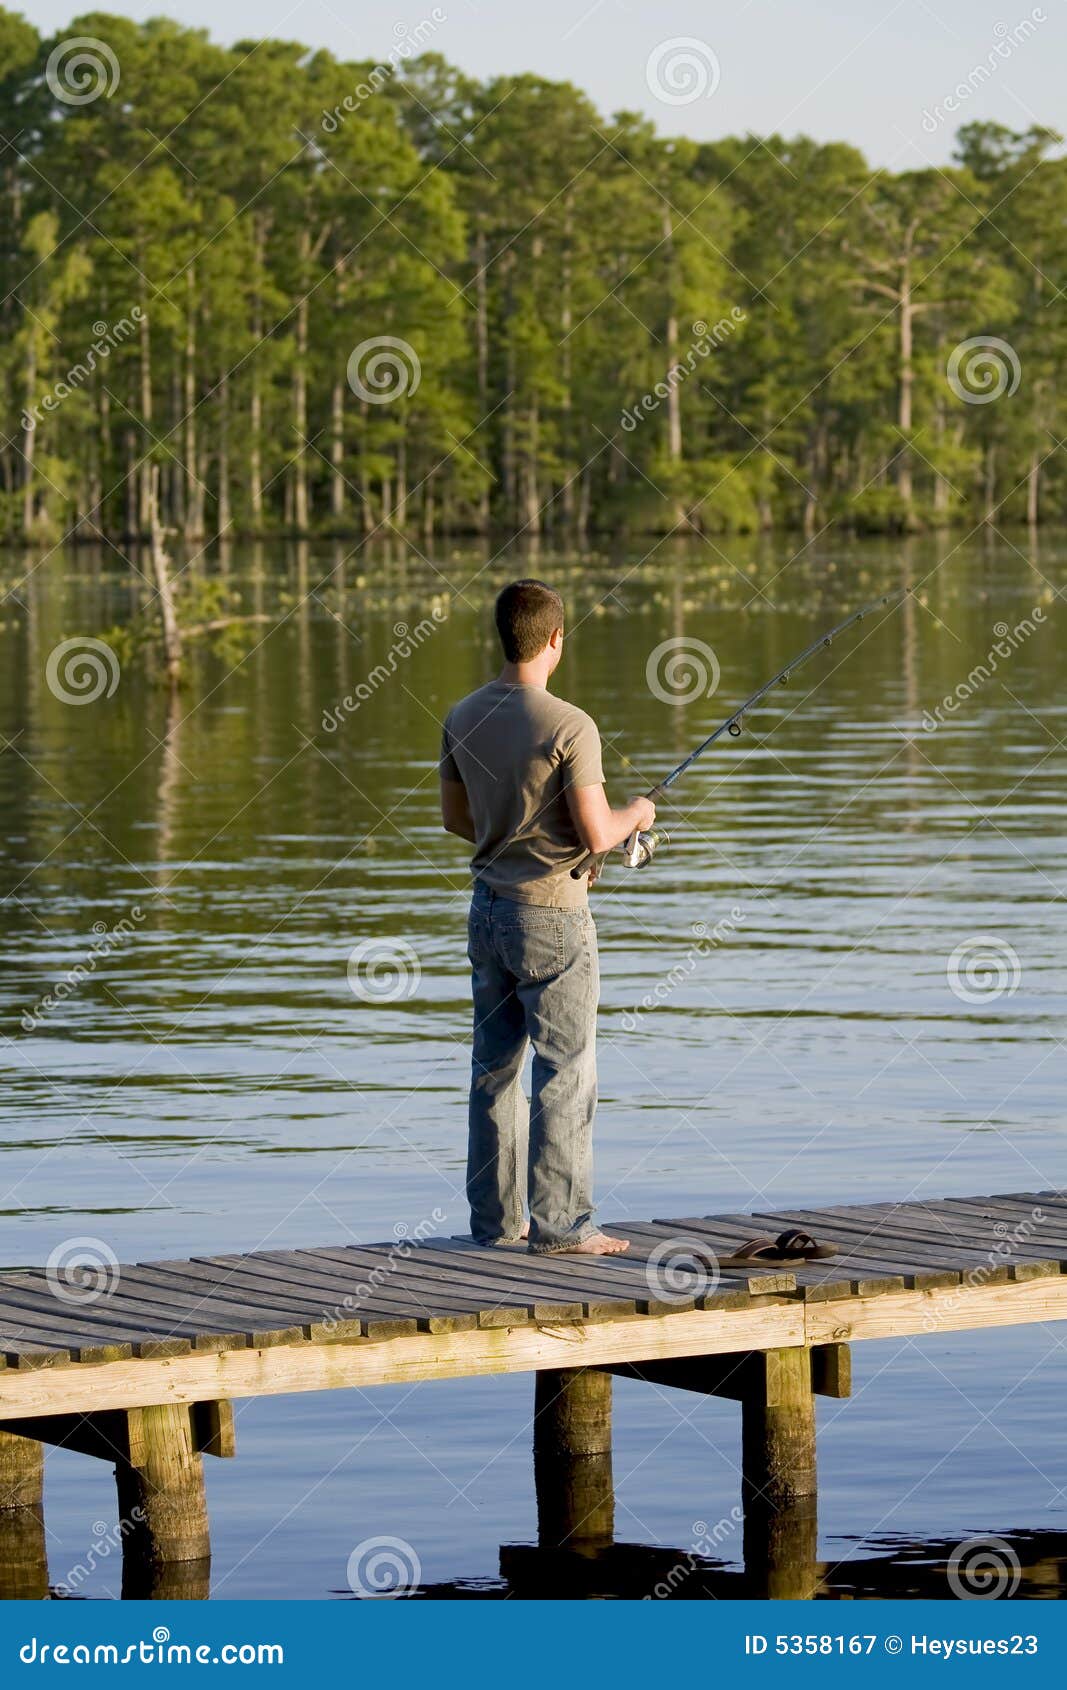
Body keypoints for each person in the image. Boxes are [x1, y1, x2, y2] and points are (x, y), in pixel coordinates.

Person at [439, 579, 656, 1256]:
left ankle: (496, 1226)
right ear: (555, 638)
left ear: (502, 637)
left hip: (487, 911)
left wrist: (524, 834)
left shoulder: (462, 714)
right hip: (554, 918)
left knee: (492, 1070)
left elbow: (456, 820)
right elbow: (598, 832)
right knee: (565, 1071)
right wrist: (639, 814)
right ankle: (563, 1228)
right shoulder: (569, 724)